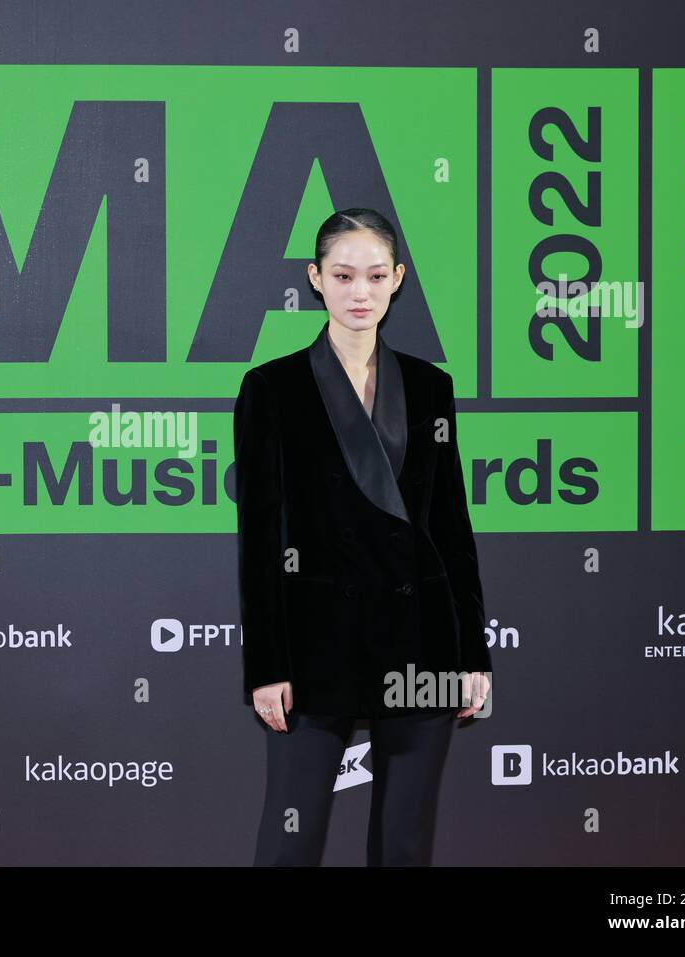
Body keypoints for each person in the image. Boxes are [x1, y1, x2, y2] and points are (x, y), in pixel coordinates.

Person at [233, 207, 493, 866]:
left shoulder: (432, 388)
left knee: (405, 845)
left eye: (376, 276)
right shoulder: (272, 388)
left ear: (397, 279)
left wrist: (473, 655)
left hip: (421, 640)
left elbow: (451, 526)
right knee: (290, 841)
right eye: (344, 275)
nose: (360, 292)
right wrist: (267, 665)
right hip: (316, 647)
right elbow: (261, 537)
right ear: (315, 279)